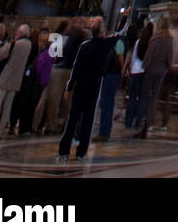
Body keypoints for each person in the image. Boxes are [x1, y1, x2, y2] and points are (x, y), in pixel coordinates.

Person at [56, 15, 125, 162]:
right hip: (94, 88)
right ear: (102, 32)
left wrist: (69, 87)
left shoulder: (85, 46)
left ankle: (63, 151)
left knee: (72, 119)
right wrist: (124, 17)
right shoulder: (105, 45)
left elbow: (76, 68)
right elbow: (120, 32)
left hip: (80, 85)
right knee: (88, 120)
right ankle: (81, 153)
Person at [0, 23, 33, 139]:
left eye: (17, 32)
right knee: (6, 109)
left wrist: (8, 43)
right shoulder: (29, 44)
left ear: (20, 33)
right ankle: (0, 132)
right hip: (16, 80)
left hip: (5, 78)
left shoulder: (14, 43)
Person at [37, 17, 86, 134]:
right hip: (70, 70)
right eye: (82, 24)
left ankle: (51, 124)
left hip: (60, 69)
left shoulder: (59, 37)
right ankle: (60, 122)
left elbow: (54, 55)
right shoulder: (81, 37)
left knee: (56, 97)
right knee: (65, 99)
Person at [132, 16, 173, 139]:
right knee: (154, 97)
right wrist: (168, 67)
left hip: (151, 69)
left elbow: (149, 54)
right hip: (162, 70)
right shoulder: (169, 39)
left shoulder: (155, 38)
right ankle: (149, 123)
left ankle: (140, 121)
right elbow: (169, 57)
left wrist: (144, 66)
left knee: (144, 96)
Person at [9, 26, 46, 136]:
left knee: (25, 102)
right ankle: (19, 125)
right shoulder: (33, 47)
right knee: (24, 102)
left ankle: (18, 125)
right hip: (29, 79)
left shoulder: (42, 49)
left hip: (32, 79)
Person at [95, 28, 126, 140]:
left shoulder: (117, 42)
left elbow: (120, 56)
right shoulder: (116, 42)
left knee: (106, 102)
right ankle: (104, 130)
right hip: (111, 74)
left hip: (111, 74)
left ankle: (104, 131)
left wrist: (123, 70)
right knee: (107, 102)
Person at [31, 24, 57, 133]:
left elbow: (39, 65)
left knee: (40, 102)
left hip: (41, 79)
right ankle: (37, 124)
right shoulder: (49, 51)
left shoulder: (47, 52)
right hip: (44, 79)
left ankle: (34, 124)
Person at [125, 21, 151, 131]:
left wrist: (130, 69)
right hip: (144, 71)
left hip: (135, 70)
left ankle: (128, 122)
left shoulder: (138, 42)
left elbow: (134, 56)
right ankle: (138, 122)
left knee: (131, 97)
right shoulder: (150, 43)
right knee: (141, 98)